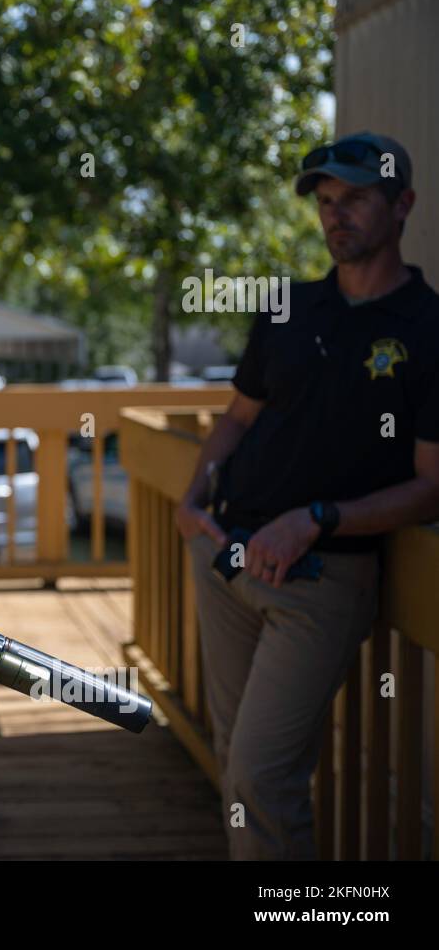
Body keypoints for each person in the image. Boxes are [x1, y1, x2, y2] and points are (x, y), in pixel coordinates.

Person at [174, 133, 439, 859]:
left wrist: (318, 519)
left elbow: (430, 486)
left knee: (262, 774)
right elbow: (238, 416)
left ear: (402, 204)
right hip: (225, 560)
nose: (335, 214)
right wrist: (192, 504)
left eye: (354, 198)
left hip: (320, 580)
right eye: (325, 201)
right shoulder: (288, 308)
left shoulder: (429, 328)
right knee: (239, 760)